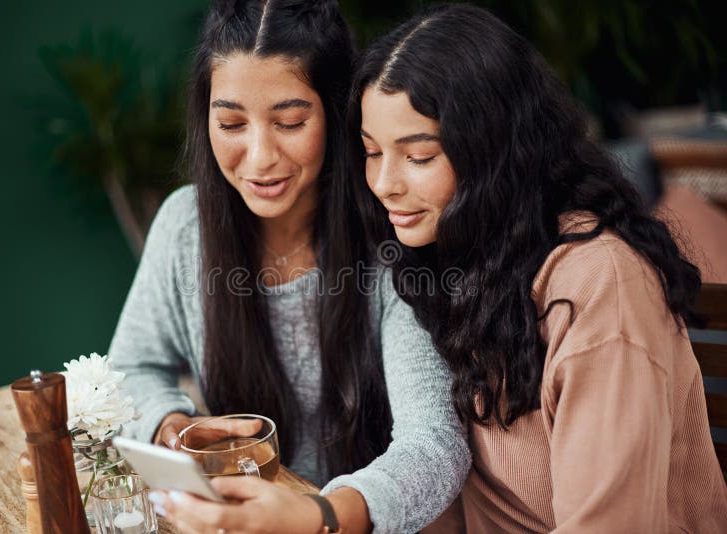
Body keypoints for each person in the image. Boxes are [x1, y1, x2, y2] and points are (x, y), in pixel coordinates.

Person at [351, 4, 727, 533]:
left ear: (493, 152)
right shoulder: (457, 255)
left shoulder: (600, 286)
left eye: (418, 156)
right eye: (372, 151)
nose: (385, 182)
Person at [108, 1, 470, 532]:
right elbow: (131, 369)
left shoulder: (394, 234)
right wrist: (173, 426)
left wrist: (317, 515)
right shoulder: (185, 226)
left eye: (290, 122)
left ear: (336, 110)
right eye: (231, 122)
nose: (259, 157)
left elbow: (434, 443)